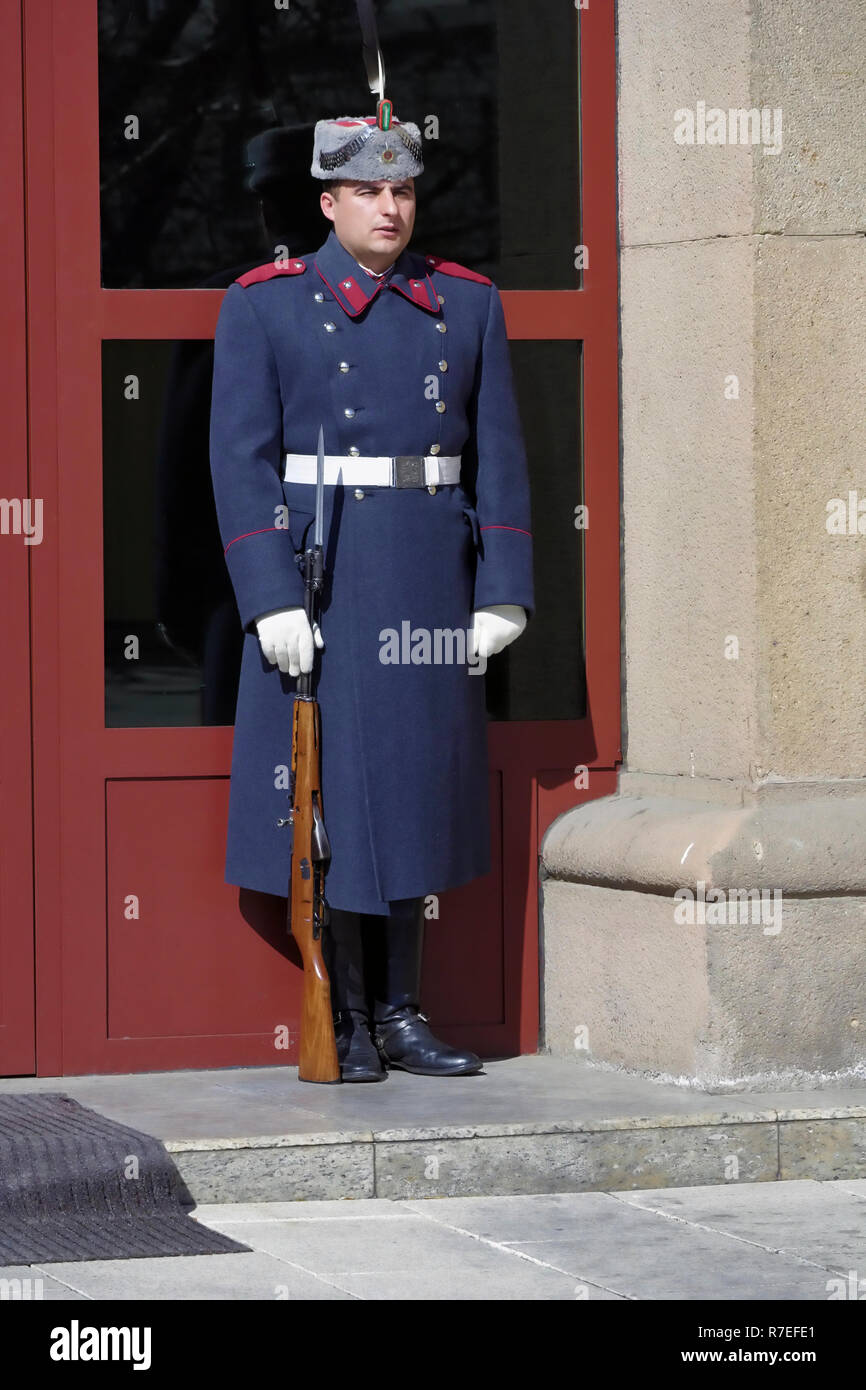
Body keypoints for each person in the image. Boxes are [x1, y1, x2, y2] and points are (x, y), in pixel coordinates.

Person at [209, 104, 534, 1082]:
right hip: (324, 572)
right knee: (329, 805)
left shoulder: (466, 303)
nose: (388, 208)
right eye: (366, 191)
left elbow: (502, 457)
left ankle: (399, 1013)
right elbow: (239, 461)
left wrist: (503, 588)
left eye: (400, 190)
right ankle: (341, 1013)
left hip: (428, 574)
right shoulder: (265, 303)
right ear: (328, 202)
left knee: (411, 796)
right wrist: (268, 596)